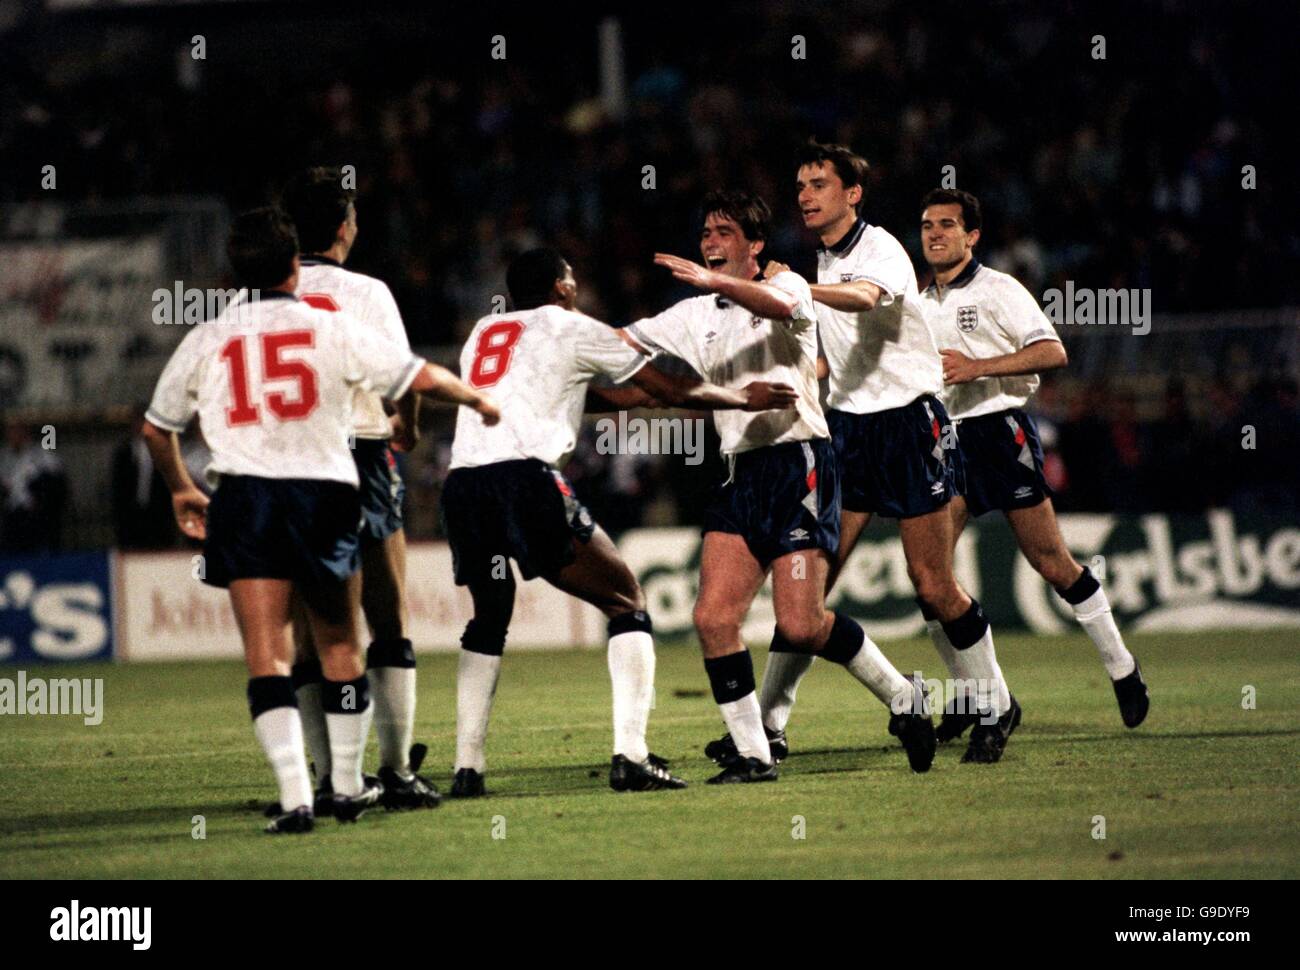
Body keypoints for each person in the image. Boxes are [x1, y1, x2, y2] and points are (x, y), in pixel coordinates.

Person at [141, 208, 499, 833]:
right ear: (292, 267)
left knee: (268, 655)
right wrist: (477, 398)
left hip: (246, 498)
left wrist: (180, 489)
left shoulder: (211, 335)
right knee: (340, 643)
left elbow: (156, 427)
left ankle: (297, 799)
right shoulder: (327, 323)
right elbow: (418, 374)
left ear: (235, 275)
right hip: (327, 492)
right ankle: (349, 785)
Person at [443, 245, 798, 796]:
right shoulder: (572, 325)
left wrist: (642, 402)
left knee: (488, 621)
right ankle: (630, 756)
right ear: (562, 287)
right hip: (524, 479)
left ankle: (468, 769)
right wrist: (740, 397)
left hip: (465, 483)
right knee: (626, 601)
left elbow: (584, 395)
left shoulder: (485, 334)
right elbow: (670, 387)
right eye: (572, 280)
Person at [624, 190, 934, 783]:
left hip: (799, 466)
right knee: (714, 619)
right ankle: (753, 754)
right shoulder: (694, 316)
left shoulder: (788, 285)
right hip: (741, 473)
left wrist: (717, 285)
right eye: (706, 233)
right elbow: (625, 342)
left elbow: (769, 301)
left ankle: (904, 699)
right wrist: (555, 342)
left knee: (799, 625)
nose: (710, 243)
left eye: (724, 233)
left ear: (755, 244)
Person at [923, 189, 1150, 729]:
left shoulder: (999, 289)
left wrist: (979, 367)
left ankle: (1122, 666)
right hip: (944, 441)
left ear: (971, 235)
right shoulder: (917, 301)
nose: (934, 234)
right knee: (930, 578)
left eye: (947, 225)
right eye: (928, 225)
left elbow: (1053, 351)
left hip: (1001, 433)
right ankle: (978, 693)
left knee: (1051, 562)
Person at [280, 166, 437, 811]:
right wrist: (409, 427)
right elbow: (405, 380)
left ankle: (325, 778)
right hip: (362, 454)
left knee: (311, 632)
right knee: (386, 616)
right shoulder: (367, 292)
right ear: (347, 226)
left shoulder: (263, 296)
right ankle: (396, 772)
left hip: (290, 468)